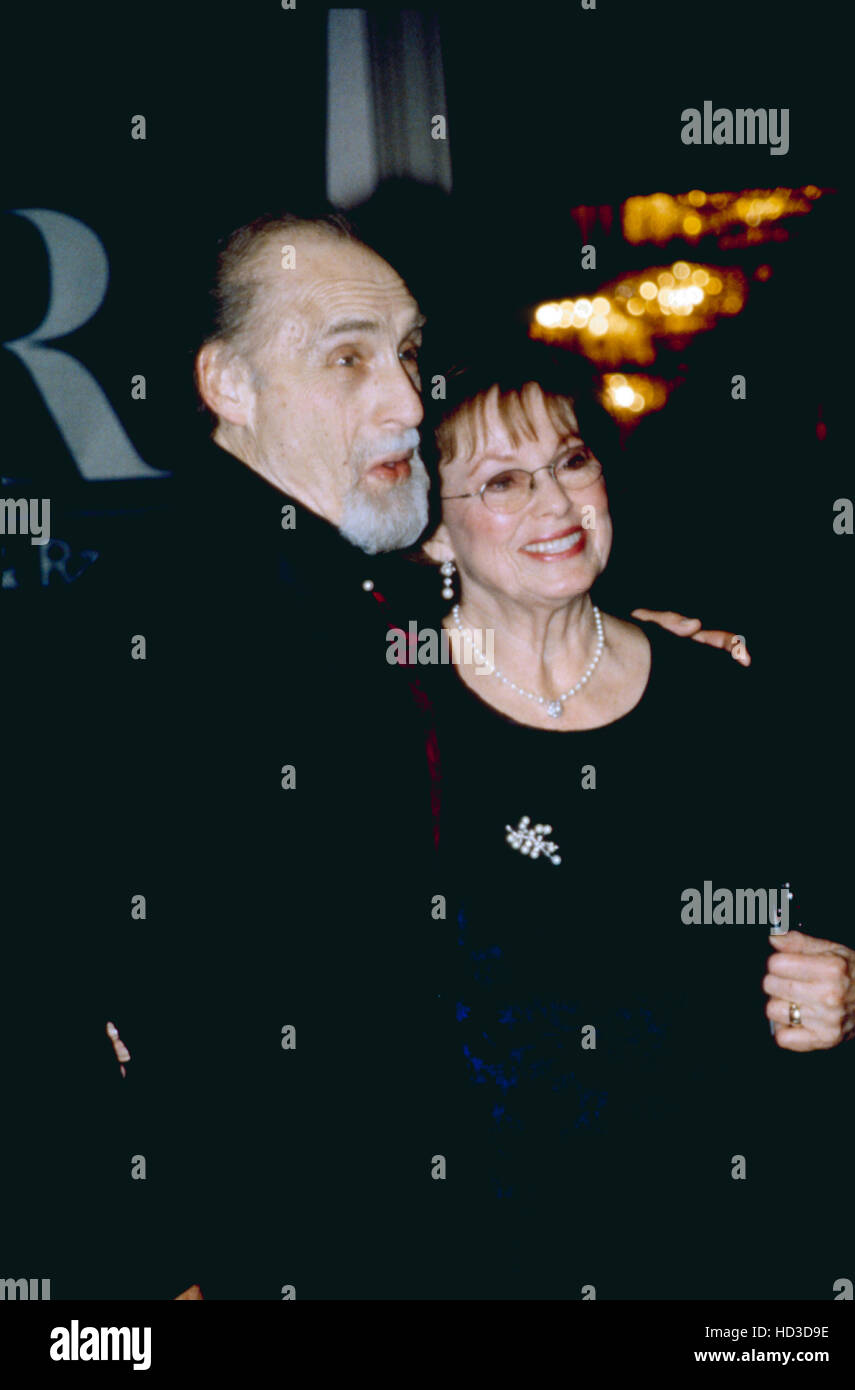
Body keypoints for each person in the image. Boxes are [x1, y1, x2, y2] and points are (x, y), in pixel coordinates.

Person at [0, 211, 764, 1301]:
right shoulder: (157, 626)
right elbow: (39, 968)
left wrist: (635, 643)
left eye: (408, 353)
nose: (408, 399)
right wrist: (145, 1267)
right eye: (349, 357)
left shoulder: (355, 595)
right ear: (230, 384)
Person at [411, 344, 855, 1298]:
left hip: (727, 1246)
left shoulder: (722, 695)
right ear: (432, 535)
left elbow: (840, 900)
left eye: (571, 461)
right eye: (503, 481)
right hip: (474, 1256)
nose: (556, 504)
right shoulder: (383, 717)